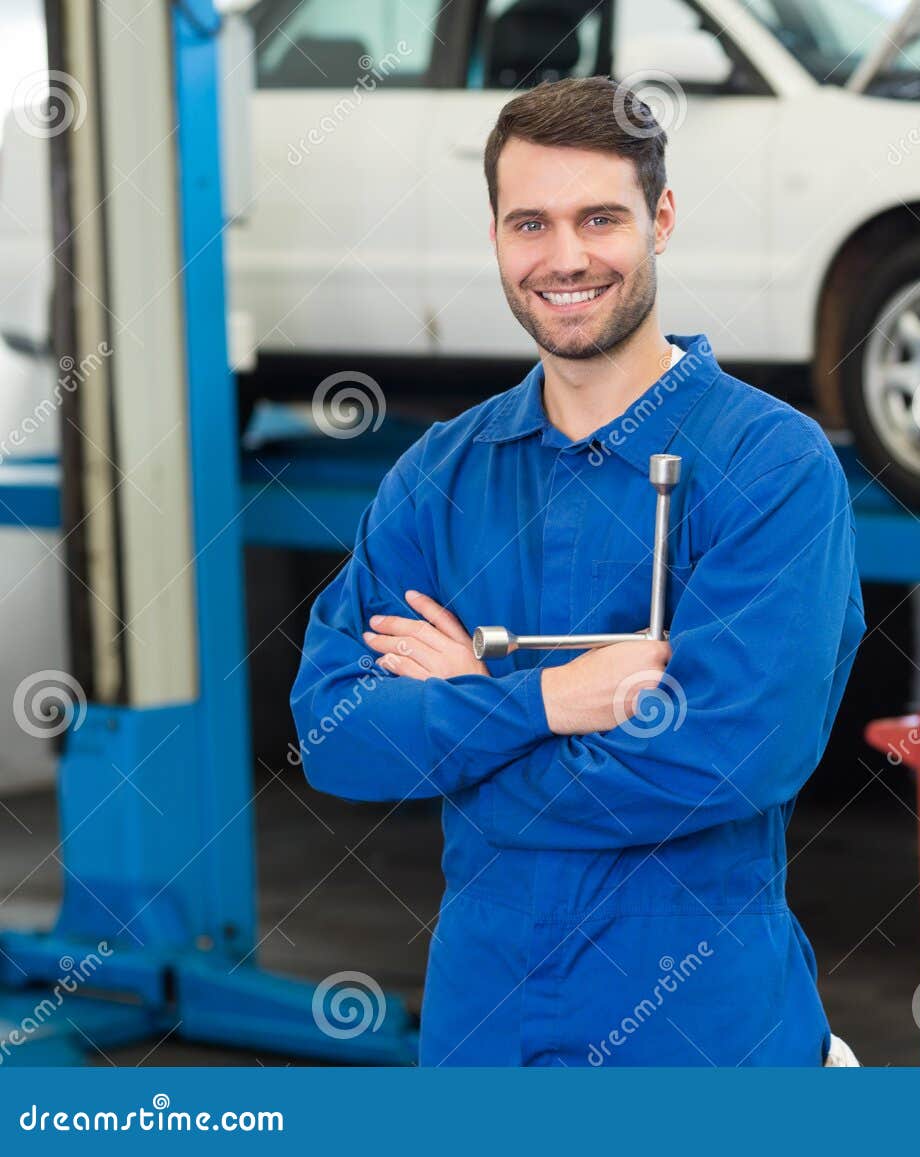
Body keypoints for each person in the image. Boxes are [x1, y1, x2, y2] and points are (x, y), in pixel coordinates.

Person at [290, 76, 865, 1066]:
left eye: (600, 218)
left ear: (661, 219)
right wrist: (551, 699)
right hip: (485, 1026)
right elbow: (336, 733)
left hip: (701, 1032)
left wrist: (461, 736)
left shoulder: (771, 465)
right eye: (531, 224)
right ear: (495, 237)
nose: (564, 258)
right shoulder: (440, 476)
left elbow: (726, 756)